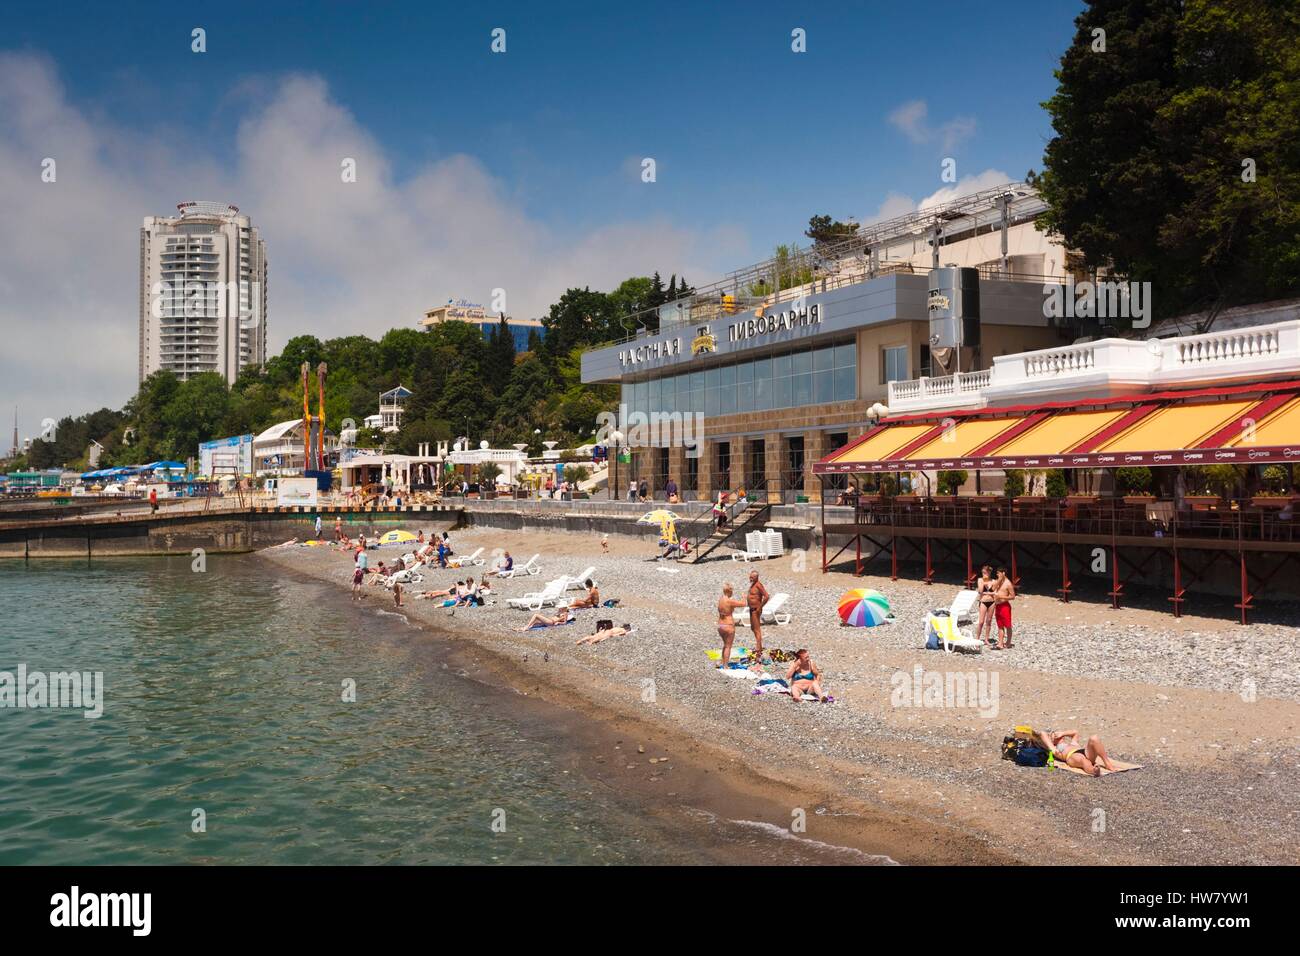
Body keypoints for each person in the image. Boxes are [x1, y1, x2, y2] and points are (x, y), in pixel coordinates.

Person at [1038, 729, 1116, 776]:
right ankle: (1093, 770)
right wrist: (1050, 740)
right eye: (1053, 735)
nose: (1056, 734)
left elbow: (1075, 732)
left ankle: (1107, 764)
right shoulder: (1054, 748)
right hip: (1071, 756)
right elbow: (1042, 733)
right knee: (1083, 760)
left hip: (1084, 752)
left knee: (1094, 738)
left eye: (1056, 733)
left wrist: (1063, 733)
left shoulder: (1072, 743)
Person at [715, 583, 748, 668]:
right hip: (728, 625)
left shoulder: (721, 599)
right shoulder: (729, 601)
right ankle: (725, 666)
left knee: (725, 645)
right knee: (728, 646)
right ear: (730, 591)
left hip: (720, 625)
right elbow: (743, 604)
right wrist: (744, 597)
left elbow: (726, 609)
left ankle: (722, 662)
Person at [746, 570, 770, 657]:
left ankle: (758, 650)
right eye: (750, 576)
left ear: (756, 577)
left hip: (756, 609)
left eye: (752, 577)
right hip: (751, 609)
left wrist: (760, 607)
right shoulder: (753, 584)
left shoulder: (759, 585)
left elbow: (767, 596)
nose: (750, 578)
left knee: (757, 629)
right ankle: (759, 646)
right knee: (753, 628)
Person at [975, 565, 997, 648]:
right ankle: (977, 639)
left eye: (985, 572)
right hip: (983, 602)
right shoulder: (980, 580)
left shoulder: (994, 581)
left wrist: (989, 593)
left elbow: (995, 592)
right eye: (983, 572)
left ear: (989, 573)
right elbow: (980, 591)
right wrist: (984, 582)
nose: (983, 574)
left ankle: (986, 639)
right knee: (981, 622)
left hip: (991, 602)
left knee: (989, 621)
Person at [993, 567, 1016, 649]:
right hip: (997, 606)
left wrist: (1001, 596)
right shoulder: (998, 582)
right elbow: (992, 589)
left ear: (1003, 573)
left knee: (1007, 625)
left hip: (1005, 606)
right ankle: (1000, 643)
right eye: (997, 573)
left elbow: (1013, 596)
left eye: (999, 573)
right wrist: (999, 580)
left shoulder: (1008, 583)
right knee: (1000, 625)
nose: (997, 574)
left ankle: (1008, 642)